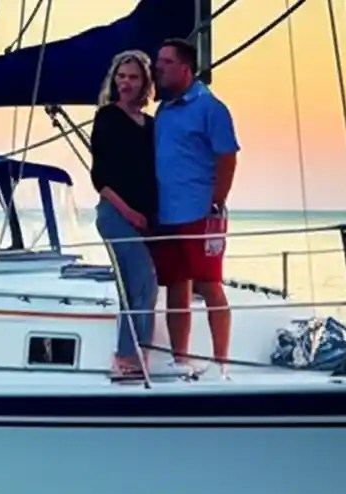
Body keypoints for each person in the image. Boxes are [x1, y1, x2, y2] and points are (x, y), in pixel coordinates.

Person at [151, 37, 239, 373]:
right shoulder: (163, 109)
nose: (158, 68)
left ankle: (221, 365)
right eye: (159, 62)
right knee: (177, 286)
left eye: (166, 62)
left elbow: (227, 156)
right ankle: (180, 359)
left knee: (209, 285)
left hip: (200, 211)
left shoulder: (210, 107)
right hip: (167, 213)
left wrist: (216, 202)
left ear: (185, 68)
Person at [90, 49, 160, 379]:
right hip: (116, 213)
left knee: (142, 285)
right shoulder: (108, 117)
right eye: (121, 76)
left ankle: (138, 355)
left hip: (145, 218)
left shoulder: (150, 124)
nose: (126, 82)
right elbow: (100, 178)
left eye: (133, 77)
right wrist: (129, 212)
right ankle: (127, 359)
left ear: (145, 81)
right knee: (139, 280)